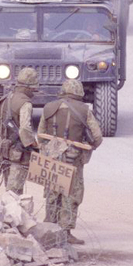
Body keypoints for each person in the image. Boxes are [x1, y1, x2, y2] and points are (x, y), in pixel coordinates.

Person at [37, 79, 103, 245]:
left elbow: (40, 134)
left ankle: (49, 228)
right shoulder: (84, 110)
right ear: (79, 92)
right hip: (73, 158)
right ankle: (65, 232)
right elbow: (97, 137)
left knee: (52, 191)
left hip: (52, 154)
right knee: (71, 193)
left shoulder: (48, 108)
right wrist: (89, 147)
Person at [0, 67, 39, 195]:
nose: (35, 91)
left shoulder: (5, 99)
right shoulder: (25, 103)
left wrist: (0, 139)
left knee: (8, 188)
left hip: (3, 150)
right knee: (15, 192)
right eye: (34, 89)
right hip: (19, 153)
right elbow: (25, 129)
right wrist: (33, 144)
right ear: (28, 87)